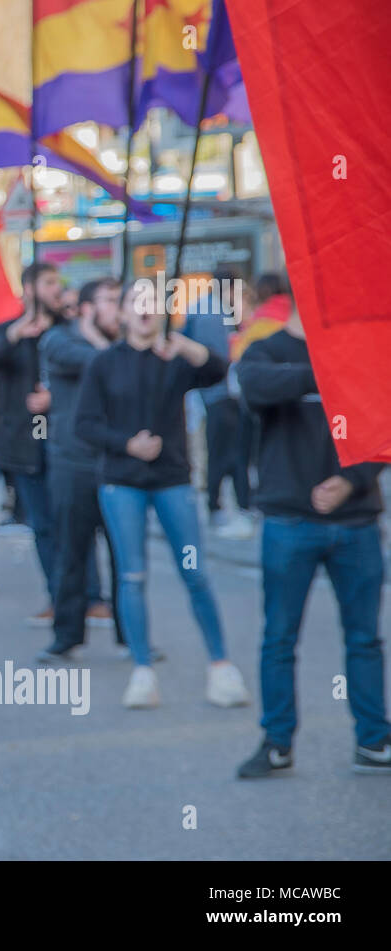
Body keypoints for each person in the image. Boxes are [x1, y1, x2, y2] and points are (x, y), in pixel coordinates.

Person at [235, 295, 390, 777]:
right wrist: (322, 369)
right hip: (289, 521)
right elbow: (254, 386)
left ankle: (374, 740)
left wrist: (351, 480)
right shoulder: (267, 350)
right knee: (279, 638)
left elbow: (384, 426)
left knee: (364, 639)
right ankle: (277, 741)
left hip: (356, 519)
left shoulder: (365, 353)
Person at [75, 283, 251, 709]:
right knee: (132, 576)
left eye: (152, 304)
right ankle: (141, 670)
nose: (144, 311)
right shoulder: (104, 363)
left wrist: (185, 347)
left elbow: (219, 370)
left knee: (194, 572)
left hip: (173, 481)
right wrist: (127, 444)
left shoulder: (175, 357)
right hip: (122, 484)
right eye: (136, 303)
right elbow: (85, 424)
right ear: (122, 313)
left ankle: (221, 666)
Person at [36, 279, 126, 662]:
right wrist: (96, 336)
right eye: (110, 301)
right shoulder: (58, 340)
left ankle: (131, 636)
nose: (119, 308)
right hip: (72, 463)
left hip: (117, 462)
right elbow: (96, 363)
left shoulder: (125, 343)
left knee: (125, 555)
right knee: (71, 553)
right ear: (88, 308)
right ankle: (66, 637)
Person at [0, 263, 62, 625]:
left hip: (65, 442)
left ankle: (91, 597)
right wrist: (17, 333)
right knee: (43, 524)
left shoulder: (67, 328)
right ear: (30, 289)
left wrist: (55, 398)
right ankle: (57, 596)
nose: (56, 290)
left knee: (76, 523)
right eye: (49, 283)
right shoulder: (8, 333)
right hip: (25, 444)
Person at [185, 268, 253, 538]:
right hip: (219, 392)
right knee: (225, 451)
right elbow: (221, 357)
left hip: (217, 393)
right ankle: (220, 506)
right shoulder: (214, 313)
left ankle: (226, 505)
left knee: (224, 451)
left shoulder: (209, 308)